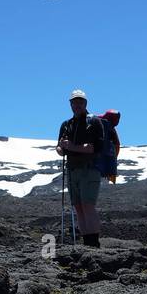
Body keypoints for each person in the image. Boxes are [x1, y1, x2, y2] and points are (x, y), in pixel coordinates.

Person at [57, 89, 105, 247]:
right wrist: (61, 148)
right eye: (74, 102)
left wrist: (70, 146)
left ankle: (93, 242)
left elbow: (91, 148)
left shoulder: (93, 122)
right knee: (78, 206)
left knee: (87, 205)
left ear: (86, 104)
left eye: (80, 102)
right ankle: (87, 242)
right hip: (72, 170)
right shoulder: (66, 125)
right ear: (70, 104)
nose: (77, 105)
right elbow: (59, 148)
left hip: (89, 169)